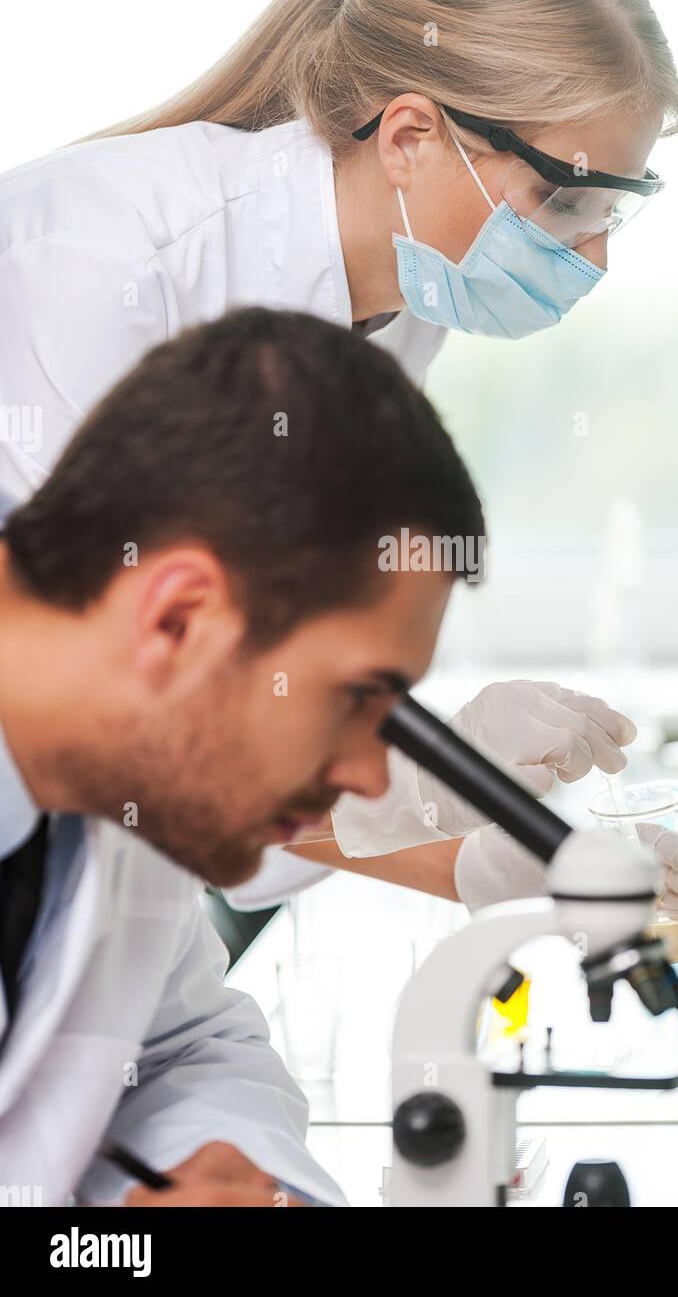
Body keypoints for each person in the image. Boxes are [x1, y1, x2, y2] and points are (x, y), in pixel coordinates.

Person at [0, 0, 678, 890]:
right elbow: (119, 729)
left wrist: (488, 862)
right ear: (409, 135)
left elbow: (267, 706)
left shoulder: (404, 303)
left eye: (617, 208)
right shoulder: (106, 271)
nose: (598, 254)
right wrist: (426, 790)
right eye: (566, 200)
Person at [0, 305, 489, 1206]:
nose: (371, 777)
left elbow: (176, 1050)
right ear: (181, 616)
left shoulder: (122, 757)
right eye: (354, 699)